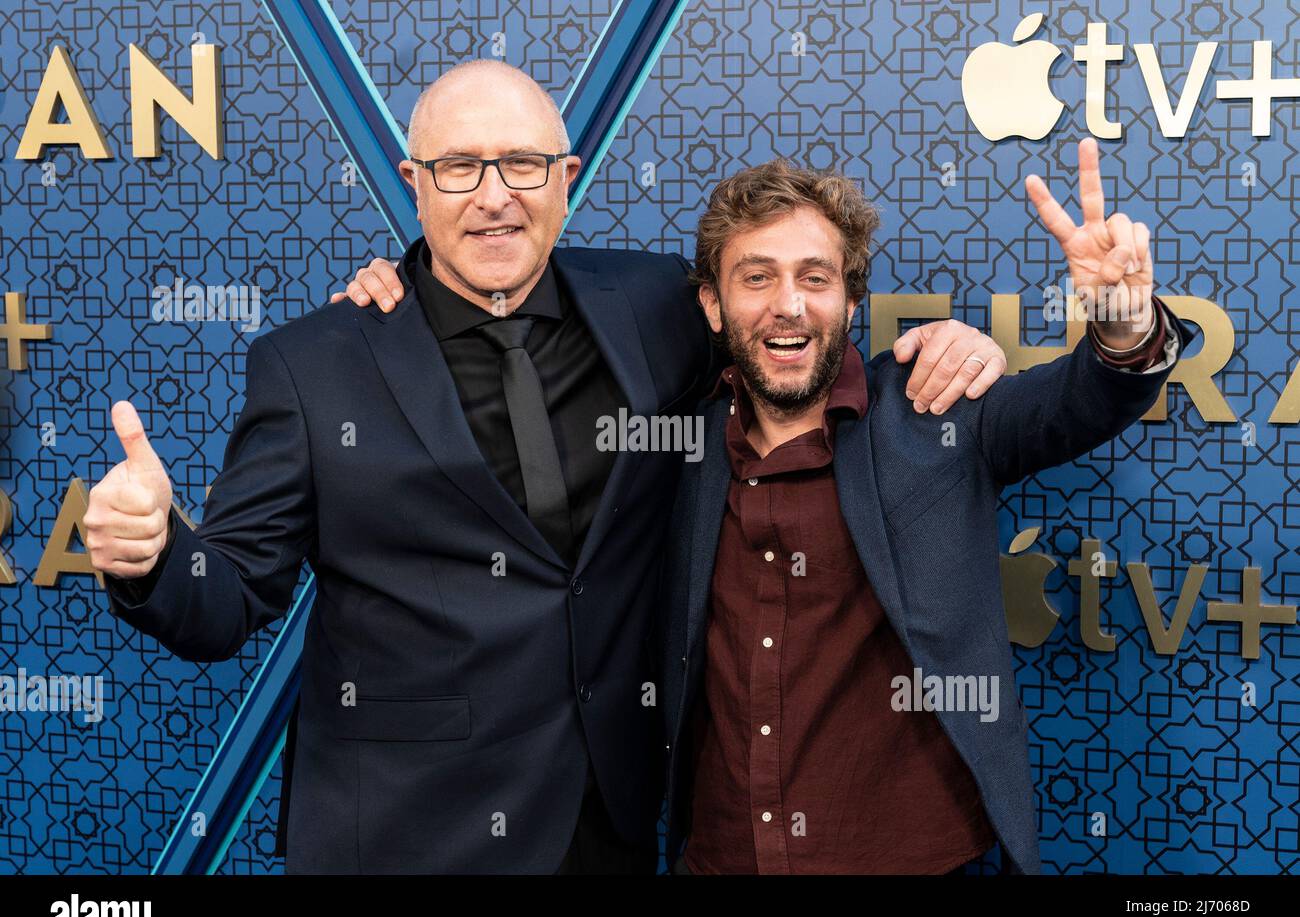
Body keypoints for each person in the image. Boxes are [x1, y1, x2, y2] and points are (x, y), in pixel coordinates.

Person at [86, 59, 1005, 873]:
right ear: (415, 184)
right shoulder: (316, 363)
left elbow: (788, 339)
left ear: (565, 180)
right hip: (403, 831)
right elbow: (230, 597)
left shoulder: (653, 308)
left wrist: (943, 348)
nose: (494, 195)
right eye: (459, 168)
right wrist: (156, 554)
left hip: (605, 819)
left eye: (522, 165)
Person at [656, 142, 1191, 874]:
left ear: (851, 300)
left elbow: (1083, 401)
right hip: (718, 859)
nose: (789, 303)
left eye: (816, 277)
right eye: (757, 278)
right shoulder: (676, 446)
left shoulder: (934, 413)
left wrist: (1122, 321)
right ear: (713, 306)